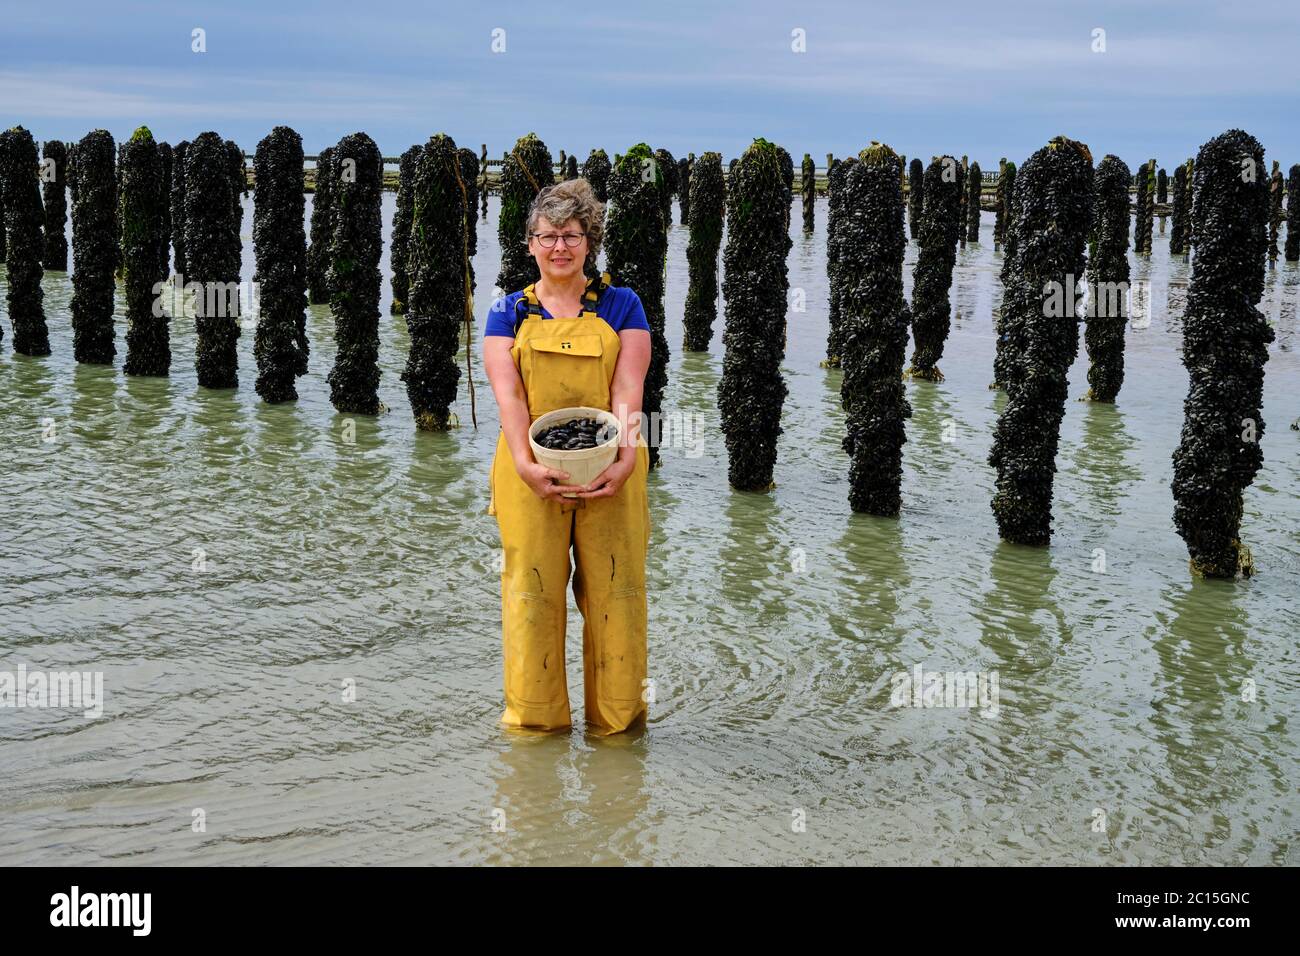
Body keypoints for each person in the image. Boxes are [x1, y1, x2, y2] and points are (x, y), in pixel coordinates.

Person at [483, 177, 652, 736]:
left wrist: (624, 458)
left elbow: (630, 389)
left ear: (589, 242)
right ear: (530, 243)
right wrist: (528, 468)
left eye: (572, 236)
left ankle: (619, 732)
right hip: (527, 468)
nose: (560, 247)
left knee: (617, 596)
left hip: (614, 466)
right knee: (532, 596)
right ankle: (536, 735)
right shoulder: (507, 313)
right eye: (548, 236)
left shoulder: (624, 306)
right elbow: (509, 398)